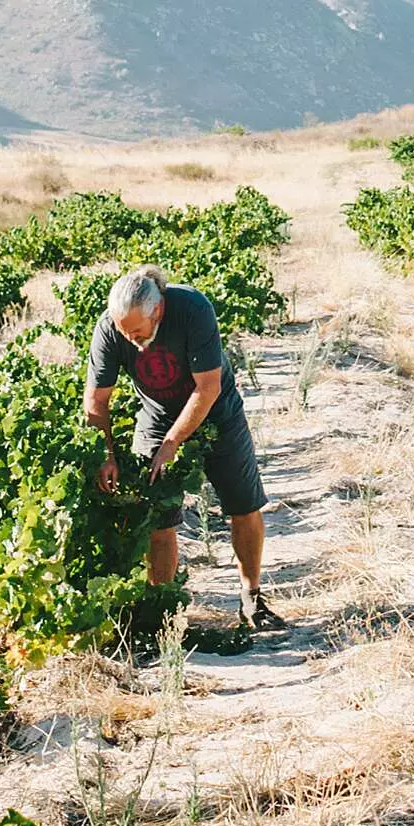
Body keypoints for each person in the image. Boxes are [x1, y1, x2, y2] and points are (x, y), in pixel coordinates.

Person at [83, 265, 288, 633]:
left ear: (157, 311)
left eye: (137, 332)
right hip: (157, 416)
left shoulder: (193, 309)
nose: (129, 339)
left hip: (217, 414)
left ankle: (251, 598)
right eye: (122, 331)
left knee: (244, 505)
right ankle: (162, 613)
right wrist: (106, 454)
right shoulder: (111, 329)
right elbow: (97, 401)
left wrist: (172, 444)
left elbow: (206, 388)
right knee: (157, 516)